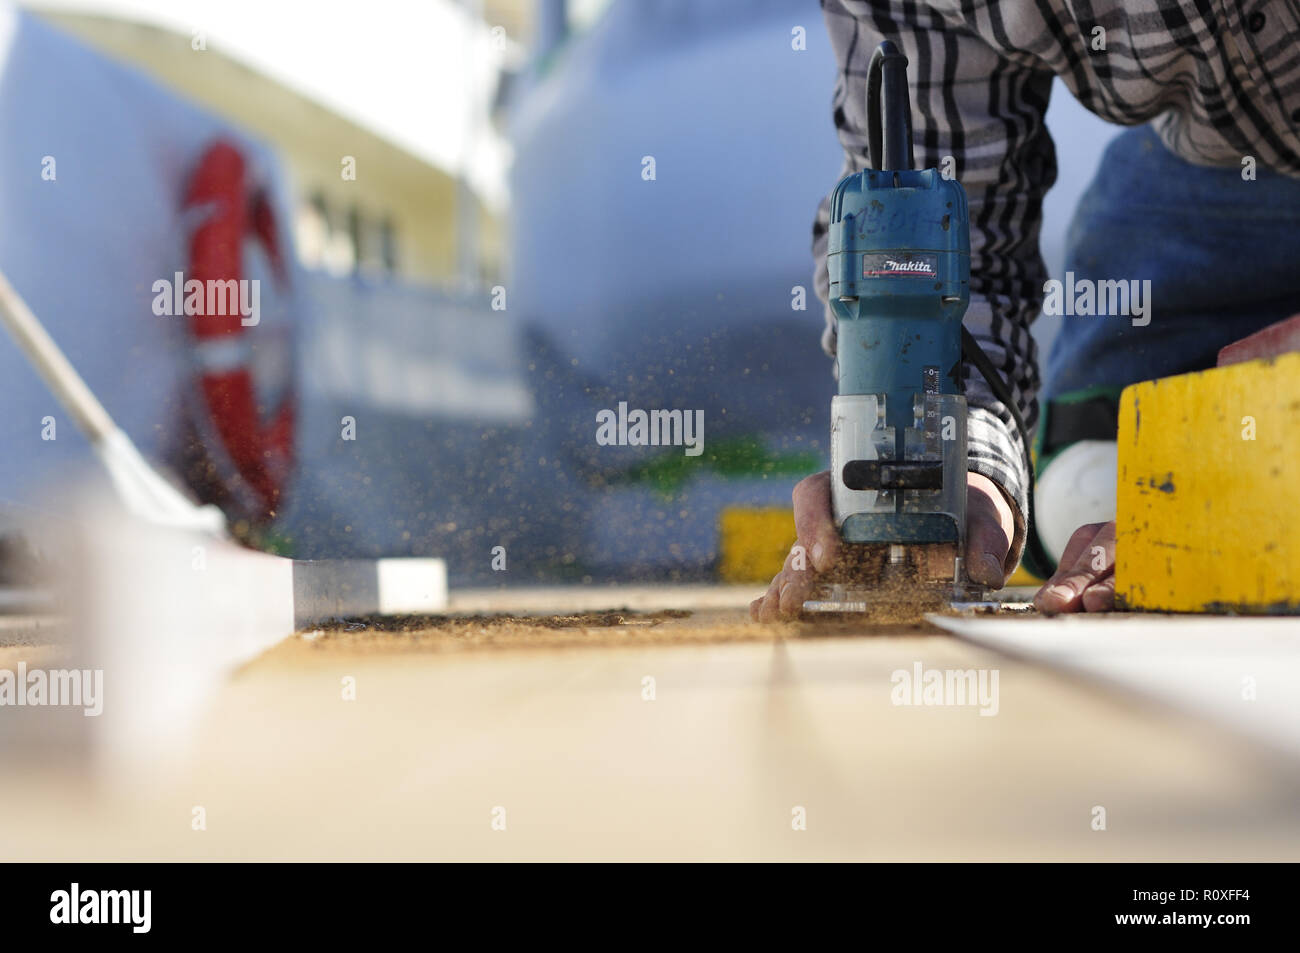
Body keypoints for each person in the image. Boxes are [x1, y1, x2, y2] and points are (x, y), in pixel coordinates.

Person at [752, 0, 1300, 621]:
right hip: (1212, 164)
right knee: (1095, 493)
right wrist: (963, 469)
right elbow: (957, 245)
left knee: (1261, 492)